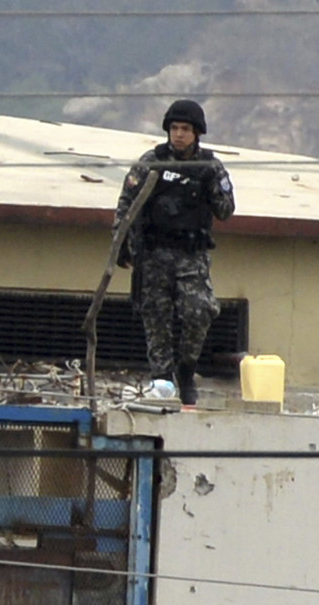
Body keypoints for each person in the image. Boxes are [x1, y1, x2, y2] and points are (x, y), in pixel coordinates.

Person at [115, 99, 234, 406]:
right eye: (175, 129)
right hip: (153, 253)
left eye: (186, 129)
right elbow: (127, 202)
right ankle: (162, 378)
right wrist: (121, 243)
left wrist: (210, 185)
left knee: (200, 310)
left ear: (197, 133)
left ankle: (186, 368)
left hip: (190, 255)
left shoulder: (209, 166)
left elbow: (226, 210)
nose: (179, 135)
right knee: (156, 317)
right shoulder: (151, 161)